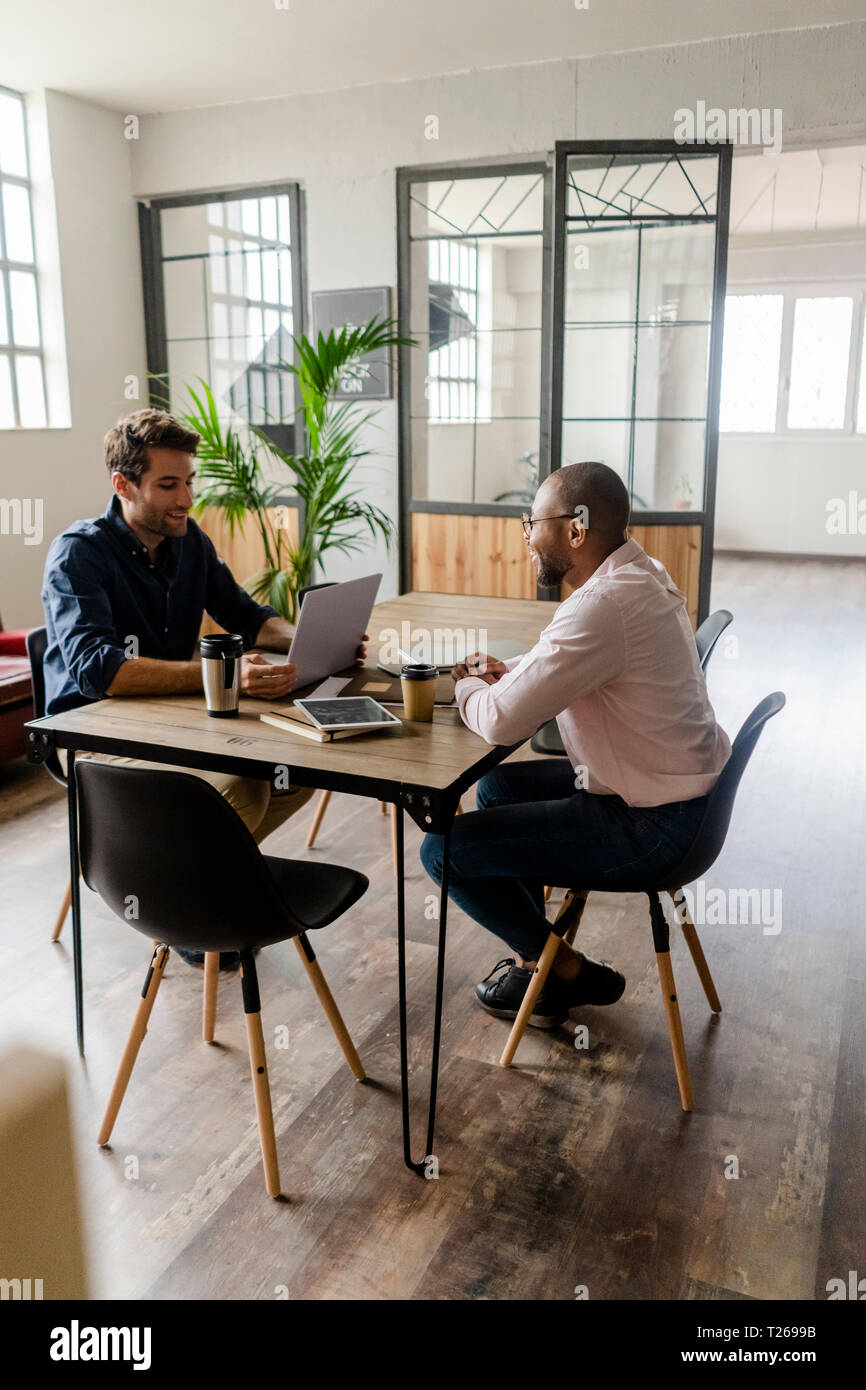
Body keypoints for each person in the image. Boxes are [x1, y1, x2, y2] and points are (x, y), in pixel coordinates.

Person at [42, 408, 364, 968]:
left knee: (295, 775)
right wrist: (224, 677)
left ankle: (190, 888)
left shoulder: (188, 542)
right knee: (238, 790)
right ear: (123, 485)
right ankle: (183, 909)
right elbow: (101, 671)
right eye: (168, 485)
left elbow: (246, 615)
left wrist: (311, 638)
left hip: (168, 717)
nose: (186, 498)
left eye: (189, 482)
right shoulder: (79, 555)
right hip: (89, 731)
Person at [420, 460, 731, 1030]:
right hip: (677, 800)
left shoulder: (602, 606)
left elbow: (498, 724)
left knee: (442, 852)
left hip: (654, 826)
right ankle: (534, 965)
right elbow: (566, 658)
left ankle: (558, 967)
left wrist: (462, 683)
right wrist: (508, 669)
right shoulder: (638, 574)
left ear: (575, 529)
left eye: (531, 522)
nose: (526, 536)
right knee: (496, 787)